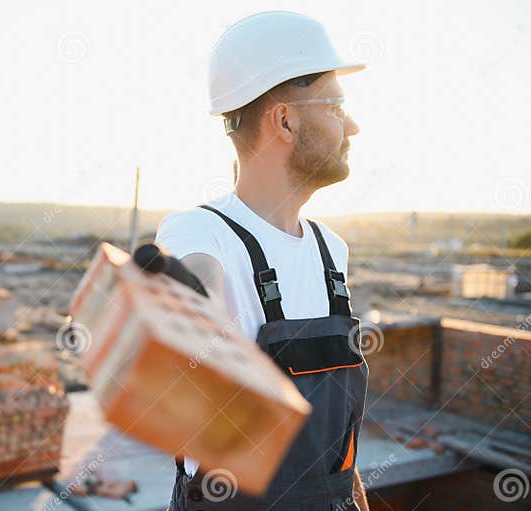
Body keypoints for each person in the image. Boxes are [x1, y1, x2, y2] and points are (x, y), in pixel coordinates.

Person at [156, 11, 370, 511]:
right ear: (286, 120)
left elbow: (337, 445)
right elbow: (198, 285)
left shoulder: (331, 252)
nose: (354, 125)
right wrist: (183, 308)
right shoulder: (200, 232)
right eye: (337, 105)